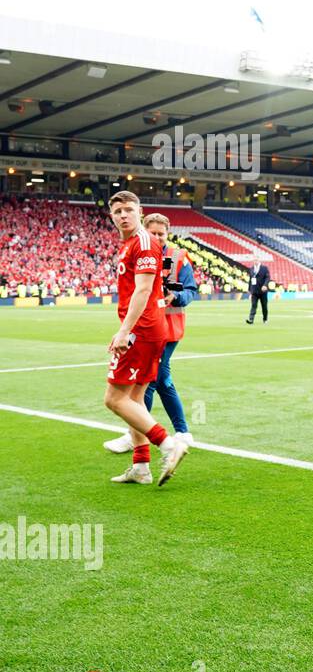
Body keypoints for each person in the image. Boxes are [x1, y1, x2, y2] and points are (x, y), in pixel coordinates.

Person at [101, 191, 189, 486]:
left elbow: (143, 289)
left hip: (142, 330)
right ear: (111, 216)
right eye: (117, 211)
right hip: (149, 329)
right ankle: (141, 466)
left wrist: (125, 331)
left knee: (113, 399)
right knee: (134, 399)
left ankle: (169, 444)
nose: (123, 215)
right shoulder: (131, 243)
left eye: (128, 209)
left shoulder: (143, 242)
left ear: (140, 211)